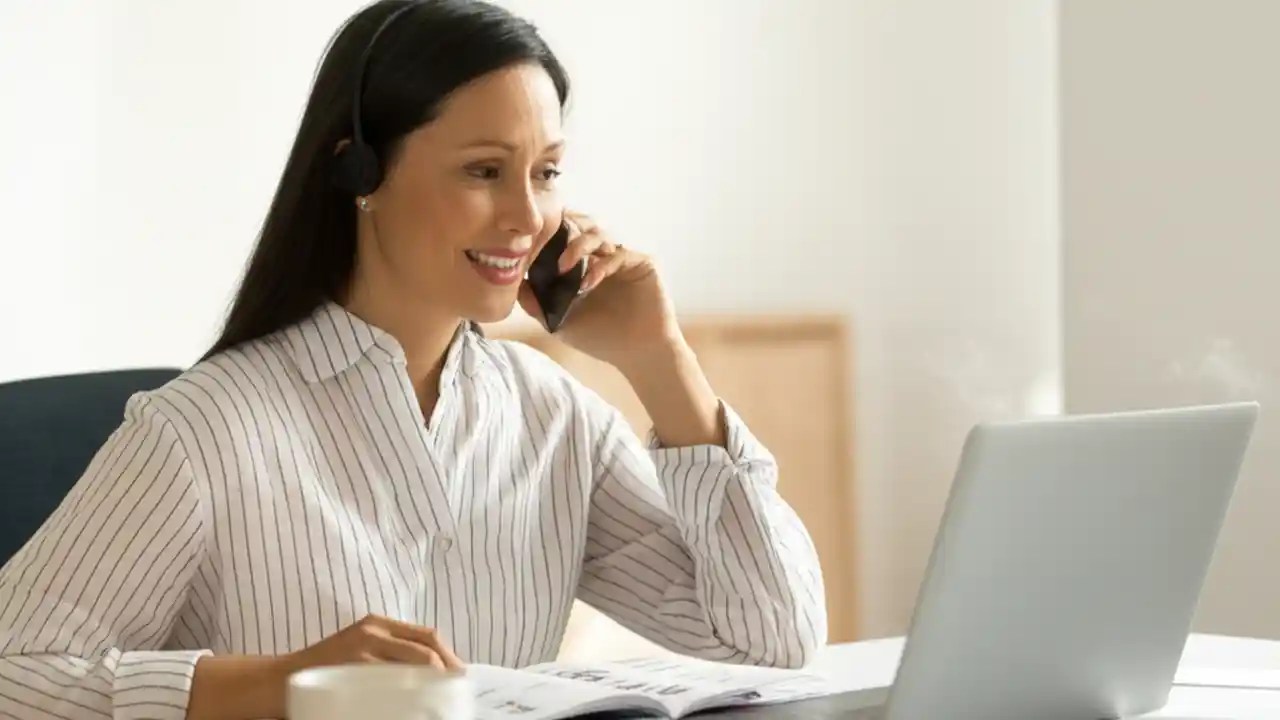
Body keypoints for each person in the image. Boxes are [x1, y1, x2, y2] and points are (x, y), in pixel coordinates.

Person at [0, 1, 827, 718]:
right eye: (484, 171)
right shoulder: (206, 429)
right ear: (359, 173)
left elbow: (770, 638)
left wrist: (660, 361)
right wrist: (281, 685)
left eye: (546, 172)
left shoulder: (554, 419)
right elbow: (15, 675)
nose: (528, 215)